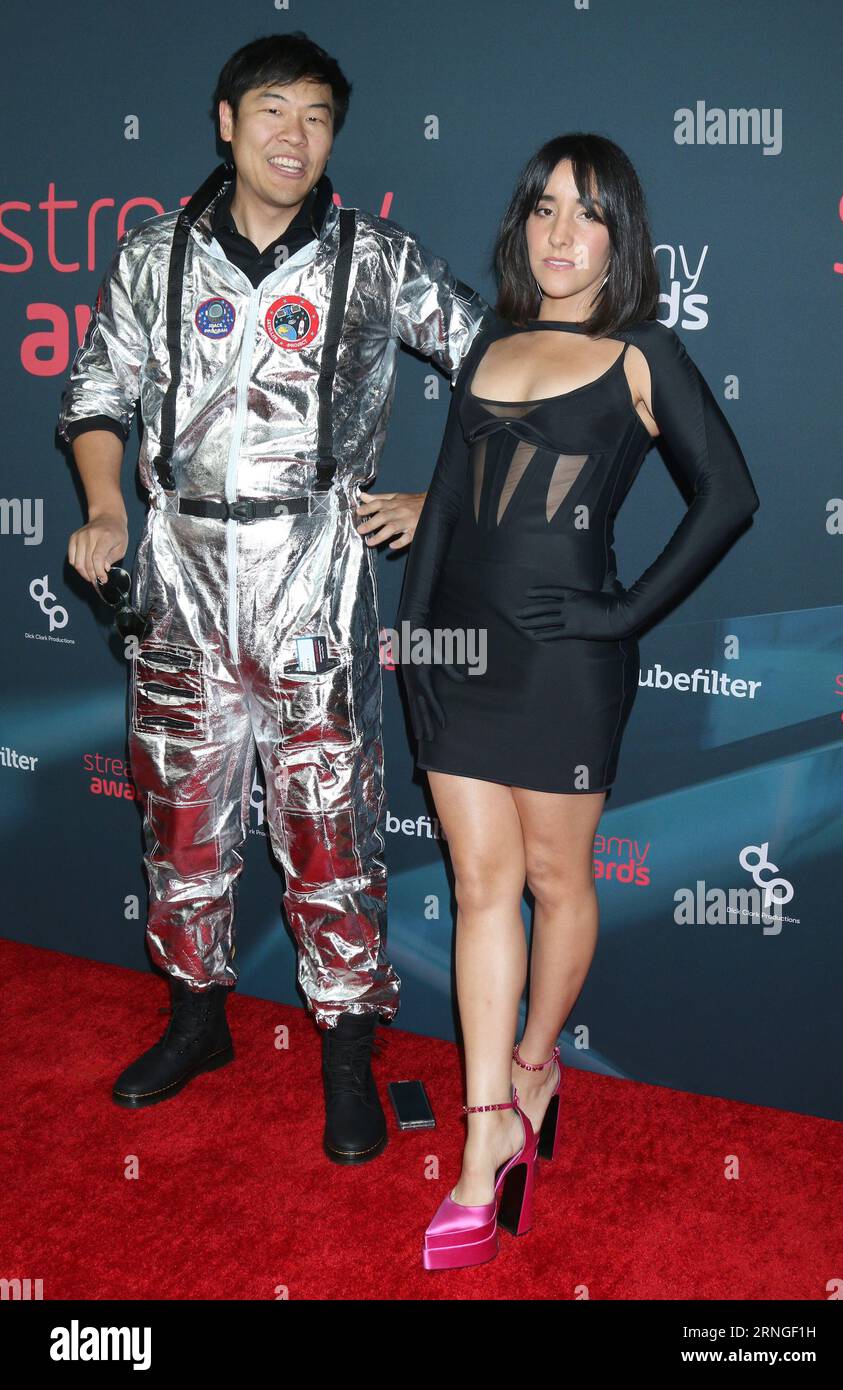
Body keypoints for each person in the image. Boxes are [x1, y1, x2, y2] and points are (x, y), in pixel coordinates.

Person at [57, 31, 492, 1165]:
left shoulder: (371, 257)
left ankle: (347, 1047)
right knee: (179, 811)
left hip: (312, 564)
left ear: (333, 136)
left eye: (316, 118)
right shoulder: (153, 258)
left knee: (327, 818)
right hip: (179, 561)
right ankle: (197, 1018)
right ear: (224, 119)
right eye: (272, 112)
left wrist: (434, 498)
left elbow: (493, 358)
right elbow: (97, 386)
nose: (294, 136)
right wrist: (106, 507)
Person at [394, 132, 759, 1267]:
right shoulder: (488, 346)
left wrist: (620, 613)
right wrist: (411, 642)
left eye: (585, 213)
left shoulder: (642, 351)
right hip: (457, 655)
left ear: (619, 236)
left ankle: (536, 1064)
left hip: (564, 663)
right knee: (477, 884)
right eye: (543, 208)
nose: (560, 233)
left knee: (555, 879)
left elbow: (728, 495)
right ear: (522, 226)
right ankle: (484, 1131)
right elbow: (446, 513)